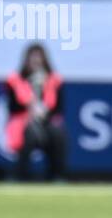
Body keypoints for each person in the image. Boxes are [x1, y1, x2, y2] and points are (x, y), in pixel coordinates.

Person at [4, 43, 67, 181]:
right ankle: (20, 175)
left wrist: (44, 111)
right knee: (30, 134)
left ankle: (56, 176)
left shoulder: (53, 81)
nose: (36, 62)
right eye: (33, 58)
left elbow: (58, 109)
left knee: (57, 133)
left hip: (46, 121)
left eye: (39, 58)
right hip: (24, 122)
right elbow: (12, 108)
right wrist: (30, 107)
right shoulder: (16, 80)